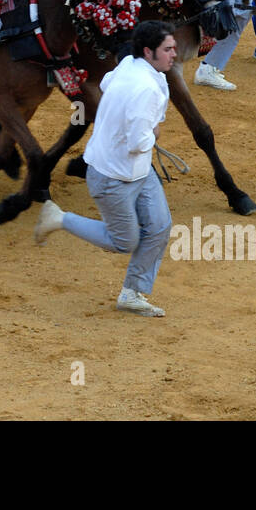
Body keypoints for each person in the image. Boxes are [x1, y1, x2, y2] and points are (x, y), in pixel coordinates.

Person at [32, 20, 176, 317]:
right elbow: (139, 142)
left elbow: (108, 82)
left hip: (134, 169)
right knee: (124, 242)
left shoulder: (129, 66)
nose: (174, 54)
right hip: (113, 177)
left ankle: (132, 293)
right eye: (168, 49)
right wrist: (155, 131)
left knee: (159, 226)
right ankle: (59, 218)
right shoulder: (147, 88)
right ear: (149, 52)